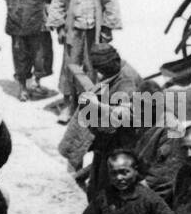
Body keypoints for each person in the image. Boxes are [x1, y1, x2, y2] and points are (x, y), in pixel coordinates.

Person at [57, 41, 151, 193]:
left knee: (108, 182)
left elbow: (125, 115)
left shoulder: (127, 81)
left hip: (127, 137)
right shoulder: (117, 68)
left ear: (113, 62)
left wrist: (97, 105)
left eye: (102, 70)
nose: (100, 74)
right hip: (115, 132)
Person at [48, 0, 121, 117]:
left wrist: (107, 28)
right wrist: (59, 27)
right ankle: (67, 104)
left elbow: (111, 1)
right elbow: (58, 0)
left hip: (93, 32)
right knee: (70, 66)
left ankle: (89, 106)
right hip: (73, 30)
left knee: (92, 67)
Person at [0, 0, 54, 101]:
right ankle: (36, 85)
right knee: (40, 53)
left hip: (15, 20)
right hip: (36, 21)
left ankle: (23, 89)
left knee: (19, 54)